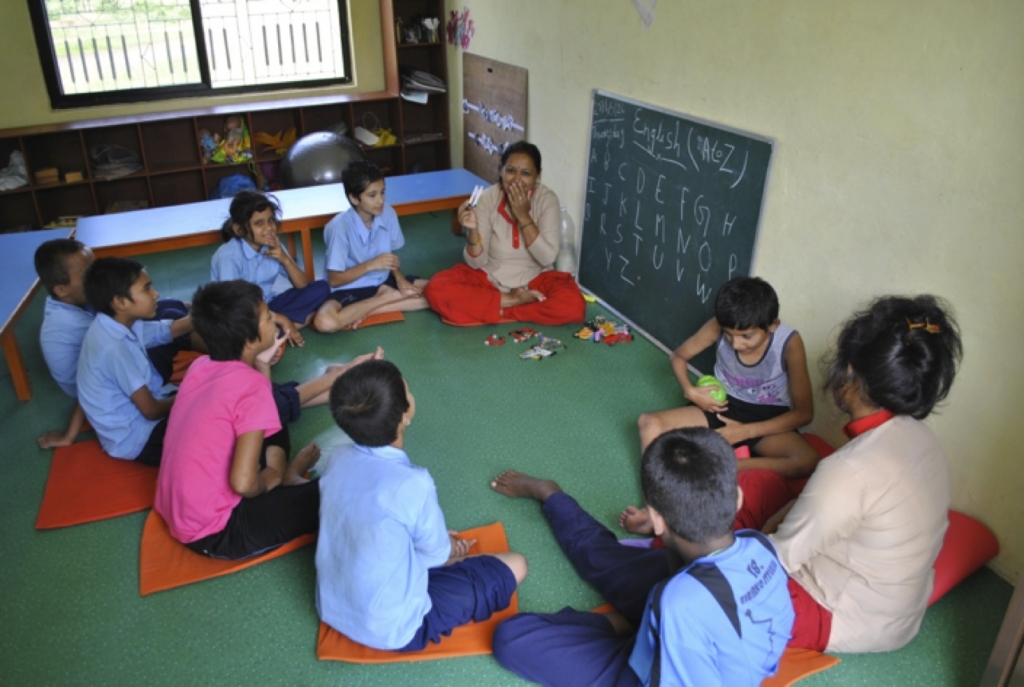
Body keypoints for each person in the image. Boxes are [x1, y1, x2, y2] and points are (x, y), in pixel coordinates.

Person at [488, 427, 794, 686]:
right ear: (738, 498)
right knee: (606, 559)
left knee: (511, 638)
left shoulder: (677, 603)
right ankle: (552, 497)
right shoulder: (758, 543)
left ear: (656, 520)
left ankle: (627, 625)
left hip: (675, 636)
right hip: (687, 596)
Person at [751, 294, 963, 653]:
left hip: (843, 616)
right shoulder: (922, 437)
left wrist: (729, 546)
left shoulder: (846, 471)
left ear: (848, 372)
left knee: (715, 589)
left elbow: (775, 559)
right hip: (899, 611)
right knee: (759, 486)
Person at [154, 280, 382, 559]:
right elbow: (241, 482)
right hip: (217, 532)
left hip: (178, 511)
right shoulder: (250, 388)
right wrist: (264, 480)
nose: (274, 318)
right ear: (249, 340)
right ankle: (284, 479)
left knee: (270, 410)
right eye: (267, 317)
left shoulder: (201, 365)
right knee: (344, 491)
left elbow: (260, 406)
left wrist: (261, 363)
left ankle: (281, 477)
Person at [316, 359, 528, 651]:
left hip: (332, 608)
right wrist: (451, 548)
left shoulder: (337, 459)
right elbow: (436, 555)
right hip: (393, 629)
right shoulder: (413, 484)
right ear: (405, 415)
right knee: (517, 565)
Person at [621, 277, 818, 537]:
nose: (736, 344)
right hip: (721, 406)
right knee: (648, 423)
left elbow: (805, 413)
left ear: (772, 325)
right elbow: (678, 357)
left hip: (766, 417)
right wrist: (690, 390)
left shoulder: (789, 343)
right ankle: (656, 513)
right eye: (729, 335)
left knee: (808, 461)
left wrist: (744, 432)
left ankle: (729, 465)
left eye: (746, 336)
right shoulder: (717, 325)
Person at [34, 239, 195, 449]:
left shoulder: (104, 319)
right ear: (62, 289)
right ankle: (230, 346)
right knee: (207, 421)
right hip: (129, 418)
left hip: (118, 391)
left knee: (163, 309)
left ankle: (224, 342)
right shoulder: (103, 339)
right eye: (87, 274)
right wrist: (193, 393)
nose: (98, 277)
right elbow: (150, 410)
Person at [423, 141, 585, 325]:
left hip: (536, 278)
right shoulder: (487, 199)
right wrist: (473, 229)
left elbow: (547, 258)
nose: (516, 180)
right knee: (436, 288)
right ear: (500, 170)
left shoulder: (547, 200)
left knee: (573, 306)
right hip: (491, 279)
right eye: (510, 171)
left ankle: (499, 311)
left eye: (526, 173)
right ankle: (513, 302)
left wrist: (523, 217)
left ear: (537, 176)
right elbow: (476, 263)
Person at [76, 257, 195, 465]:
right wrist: (192, 393)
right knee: (213, 430)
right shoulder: (112, 346)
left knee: (215, 404)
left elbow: (163, 331)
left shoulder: (119, 321)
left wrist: (202, 316)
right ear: (121, 302)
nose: (155, 293)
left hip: (150, 407)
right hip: (137, 437)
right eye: (146, 289)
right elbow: (151, 411)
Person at [313, 160, 430, 332]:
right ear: (354, 198)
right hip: (351, 288)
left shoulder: (388, 213)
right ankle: (385, 299)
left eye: (383, 192)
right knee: (325, 322)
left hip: (384, 280)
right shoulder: (339, 227)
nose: (380, 200)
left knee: (439, 290)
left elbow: (389, 258)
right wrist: (370, 265)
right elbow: (335, 279)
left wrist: (400, 279)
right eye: (372, 195)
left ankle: (371, 308)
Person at [210, 190, 330, 346]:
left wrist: (285, 259)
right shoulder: (228, 256)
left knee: (321, 288)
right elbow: (236, 305)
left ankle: (272, 335)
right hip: (241, 313)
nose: (269, 228)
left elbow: (303, 285)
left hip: (267, 306)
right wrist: (283, 319)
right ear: (239, 229)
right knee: (237, 332)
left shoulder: (272, 244)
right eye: (259, 223)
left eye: (271, 220)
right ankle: (283, 329)